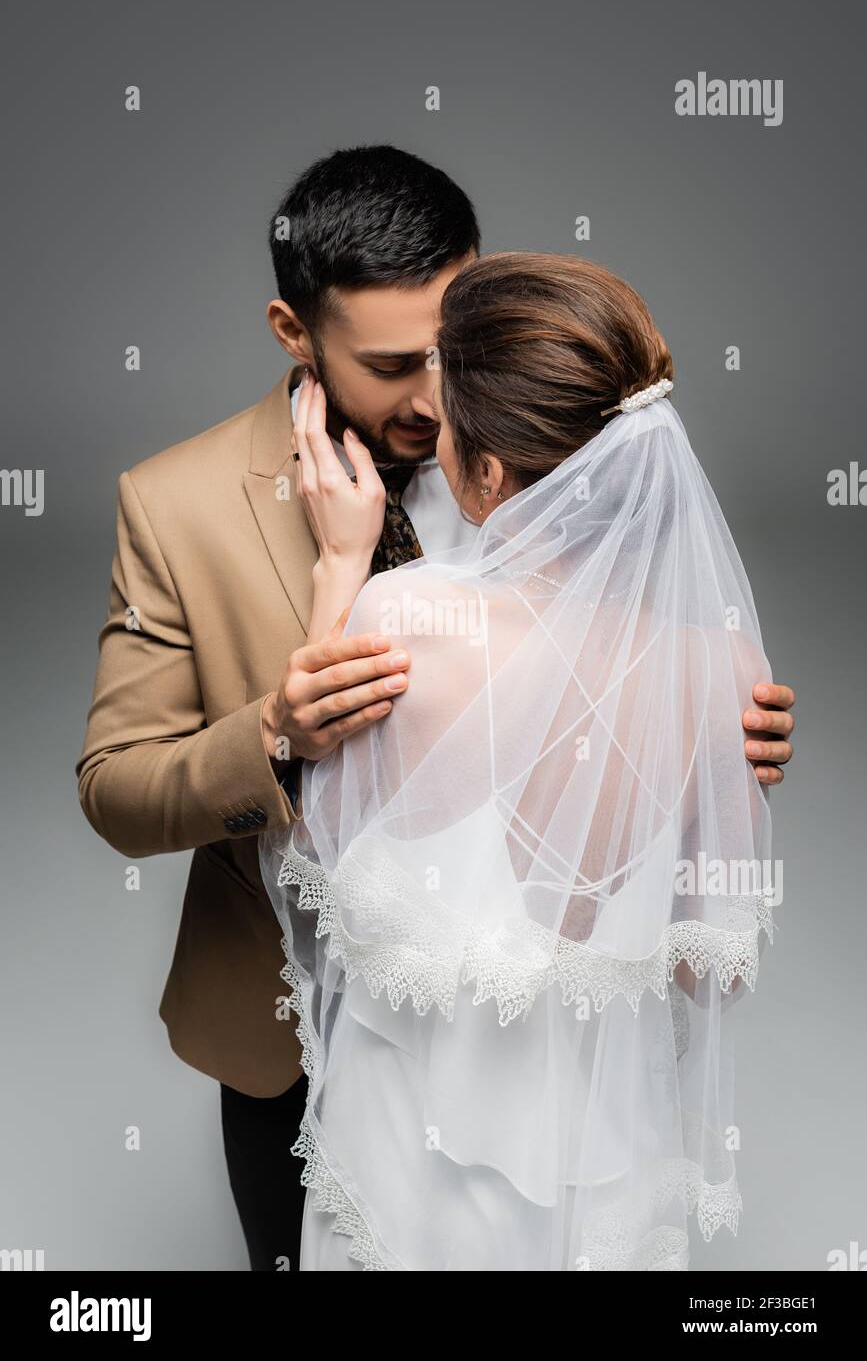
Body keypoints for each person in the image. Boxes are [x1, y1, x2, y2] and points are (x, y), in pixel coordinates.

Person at [76, 146, 795, 1271]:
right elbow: (117, 790)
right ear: (292, 331)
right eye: (396, 361)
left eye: (453, 348)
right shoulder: (174, 507)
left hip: (551, 1068)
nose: (432, 394)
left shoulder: (542, 438)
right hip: (288, 1043)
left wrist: (712, 747)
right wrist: (277, 733)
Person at [259, 251, 782, 1271]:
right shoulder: (727, 668)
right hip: (602, 1158)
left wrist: (336, 570)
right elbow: (701, 970)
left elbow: (316, 857)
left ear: (488, 475)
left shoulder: (399, 618)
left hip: (416, 1145)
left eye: (448, 421)